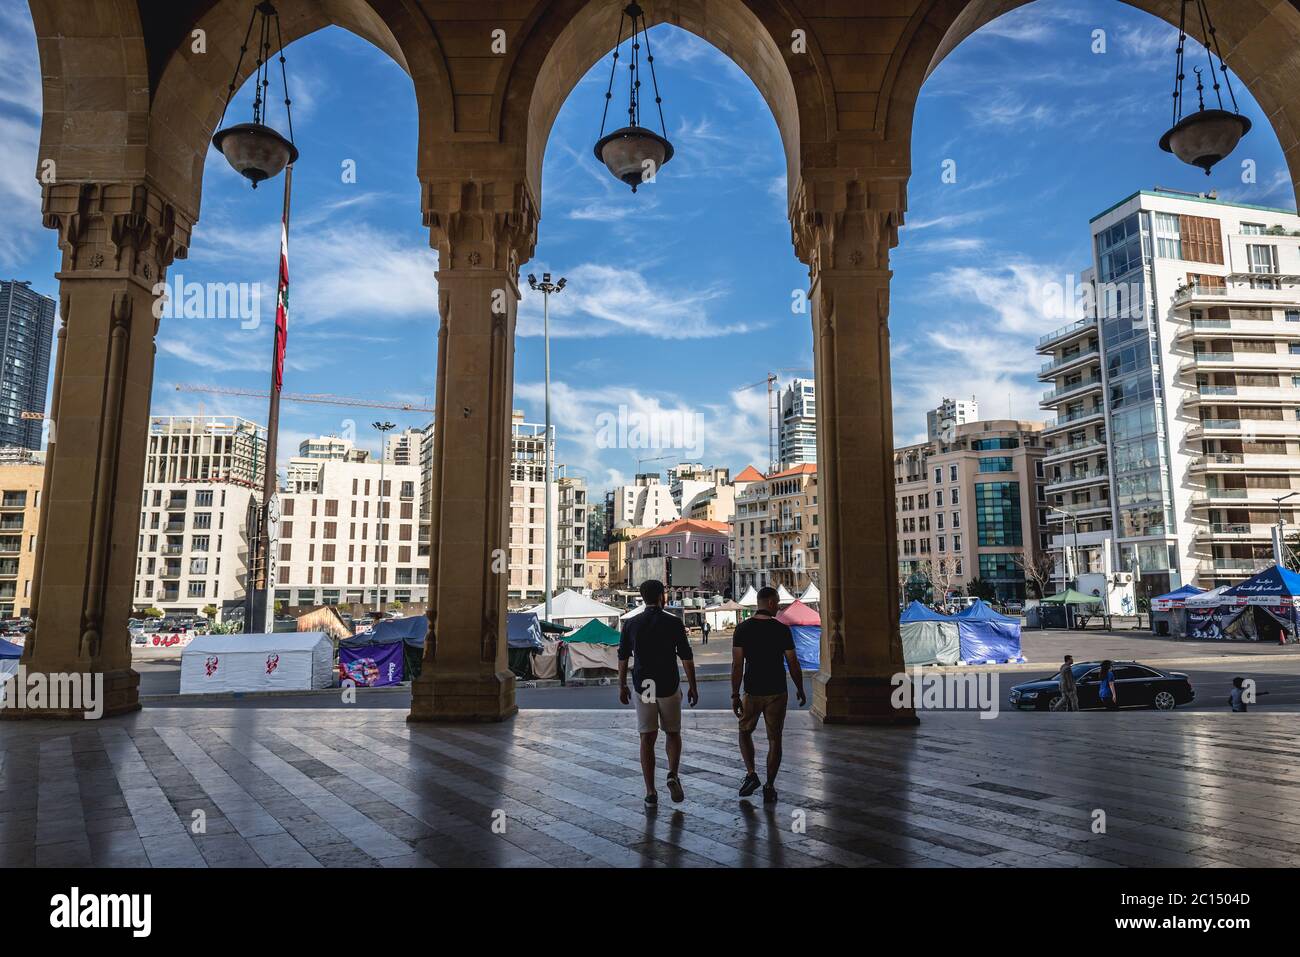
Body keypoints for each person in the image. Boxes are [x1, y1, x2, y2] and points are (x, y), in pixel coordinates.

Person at [618, 579, 698, 806]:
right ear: (662, 596)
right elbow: (686, 657)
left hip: (644, 686)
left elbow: (623, 657)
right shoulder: (673, 623)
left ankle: (651, 791)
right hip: (668, 684)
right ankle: (672, 773)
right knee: (672, 733)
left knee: (647, 738)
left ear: (643, 598)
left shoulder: (631, 624)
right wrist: (692, 686)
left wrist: (621, 684)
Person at [731, 585, 806, 805]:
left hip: (752, 690)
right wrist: (799, 687)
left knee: (745, 732)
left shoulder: (742, 629)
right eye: (778, 603)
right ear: (771, 603)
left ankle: (751, 773)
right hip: (777, 692)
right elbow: (793, 662)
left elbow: (737, 665)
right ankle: (769, 786)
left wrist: (735, 694)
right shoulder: (781, 630)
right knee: (775, 739)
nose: (779, 607)